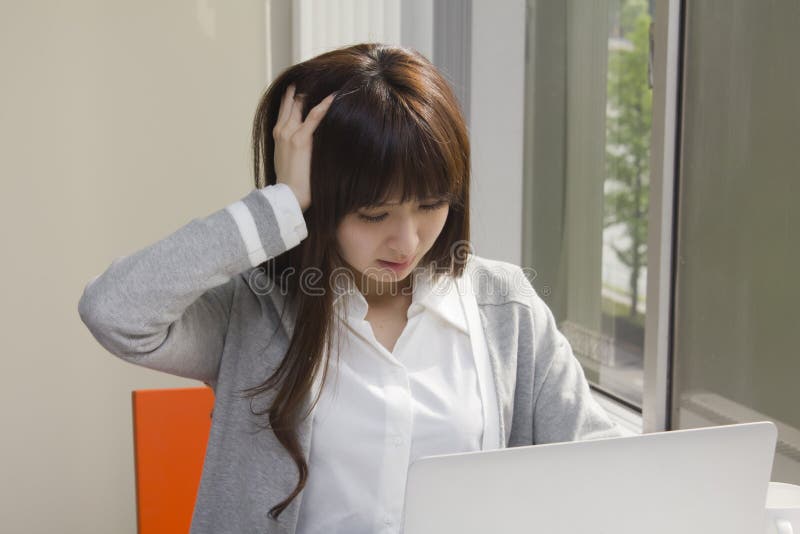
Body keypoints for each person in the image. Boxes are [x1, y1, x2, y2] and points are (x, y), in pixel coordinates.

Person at [77, 42, 623, 534]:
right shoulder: (256, 310)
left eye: (430, 206)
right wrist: (279, 204)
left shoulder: (505, 308)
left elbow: (599, 466)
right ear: (323, 202)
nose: (406, 241)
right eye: (373, 213)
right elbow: (114, 311)